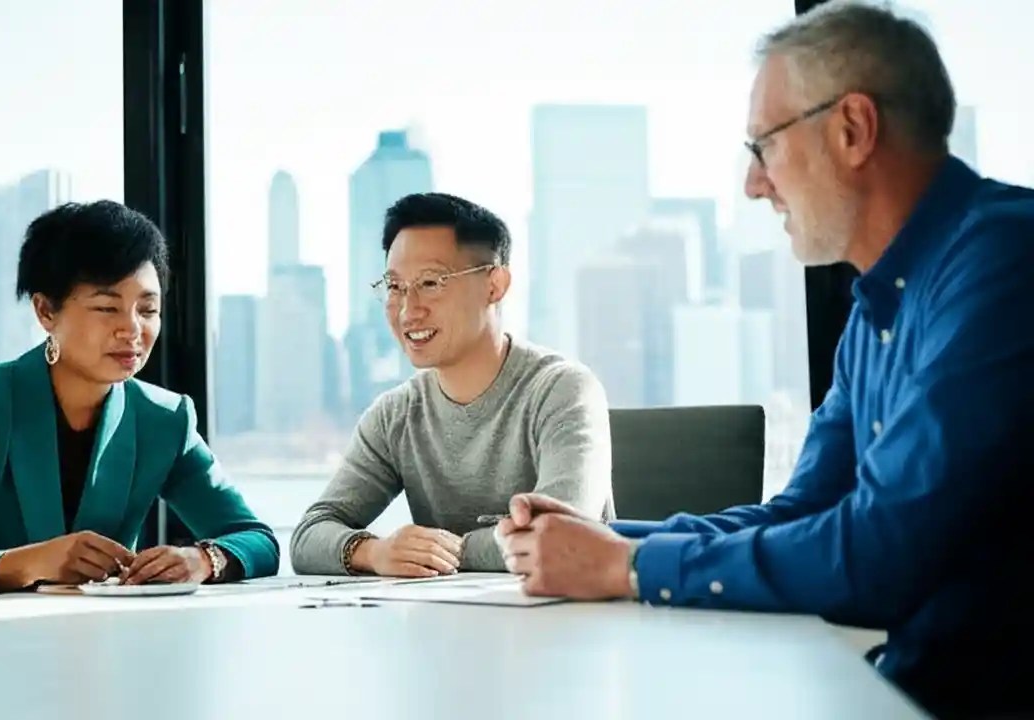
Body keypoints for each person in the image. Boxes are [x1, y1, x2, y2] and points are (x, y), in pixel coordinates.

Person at [496, 3, 1034, 717]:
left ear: (852, 129)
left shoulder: (1004, 262)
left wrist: (625, 566)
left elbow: (878, 556)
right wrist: (606, 538)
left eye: (764, 146)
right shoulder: (876, 308)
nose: (754, 184)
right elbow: (803, 512)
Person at [0, 200, 279, 607]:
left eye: (148, 309)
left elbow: (258, 541)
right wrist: (30, 562)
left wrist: (203, 560)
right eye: (106, 307)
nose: (132, 329)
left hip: (97, 644)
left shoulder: (163, 418)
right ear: (45, 311)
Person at [290, 192, 613, 577]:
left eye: (430, 282)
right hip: (446, 626)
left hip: (569, 622)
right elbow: (309, 536)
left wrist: (435, 553)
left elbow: (558, 533)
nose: (409, 310)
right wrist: (375, 552)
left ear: (495, 284)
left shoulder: (562, 390)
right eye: (394, 287)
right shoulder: (396, 414)